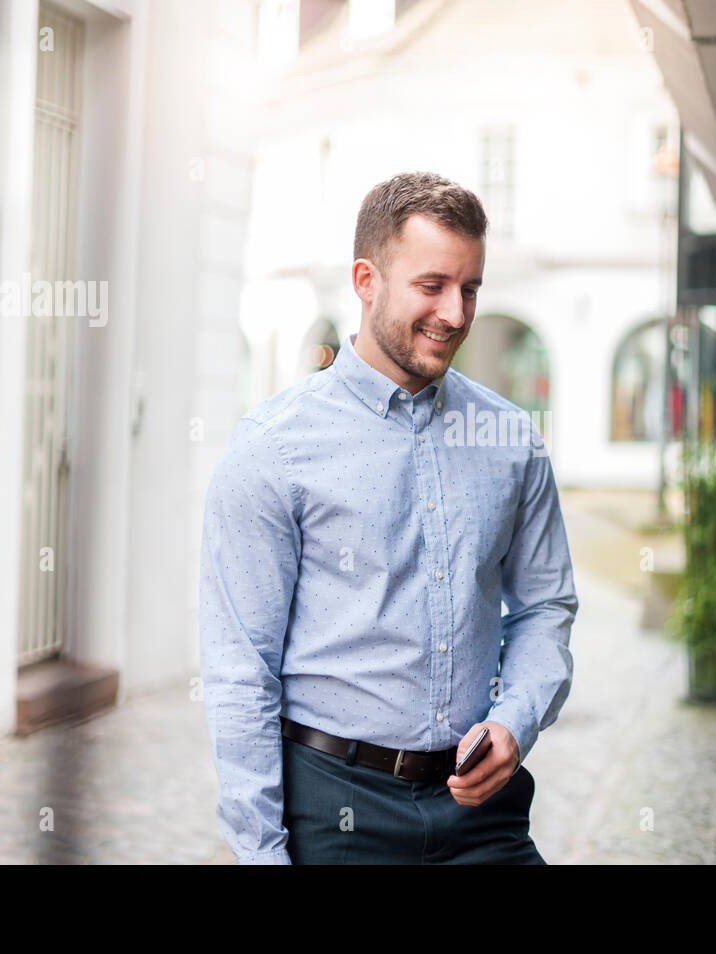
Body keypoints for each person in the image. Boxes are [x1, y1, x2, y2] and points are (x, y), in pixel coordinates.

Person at [199, 171, 578, 864]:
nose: (456, 313)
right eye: (431, 286)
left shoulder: (511, 441)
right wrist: (262, 853)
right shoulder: (274, 449)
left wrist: (516, 718)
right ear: (366, 279)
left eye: (470, 288)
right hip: (336, 811)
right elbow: (239, 668)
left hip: (482, 816)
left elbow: (546, 603)